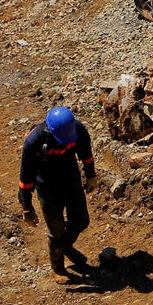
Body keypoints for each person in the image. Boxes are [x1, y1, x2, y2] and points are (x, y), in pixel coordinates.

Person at [18, 106, 97, 285]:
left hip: (71, 180)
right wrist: (26, 207)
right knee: (56, 231)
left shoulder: (77, 130)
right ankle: (57, 267)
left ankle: (65, 246)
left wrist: (91, 176)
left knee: (81, 220)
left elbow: (86, 154)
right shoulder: (34, 142)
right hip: (48, 187)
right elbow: (25, 177)